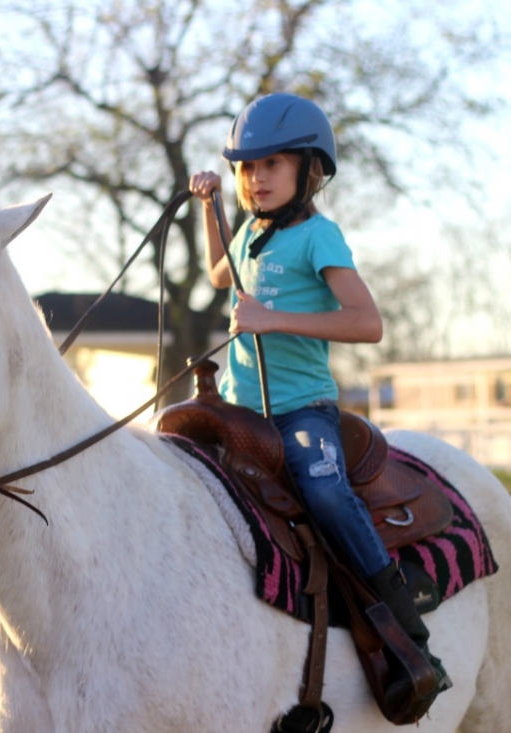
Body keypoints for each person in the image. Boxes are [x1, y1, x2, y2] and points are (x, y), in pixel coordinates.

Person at [189, 92, 450, 703]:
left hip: (303, 409)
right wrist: (214, 206)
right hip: (240, 406)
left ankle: (403, 620)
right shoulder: (253, 231)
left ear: (309, 170)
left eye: (271, 165)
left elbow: (367, 323)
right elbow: (219, 275)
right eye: (247, 168)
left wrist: (271, 319)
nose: (256, 178)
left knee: (327, 492)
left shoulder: (318, 238)